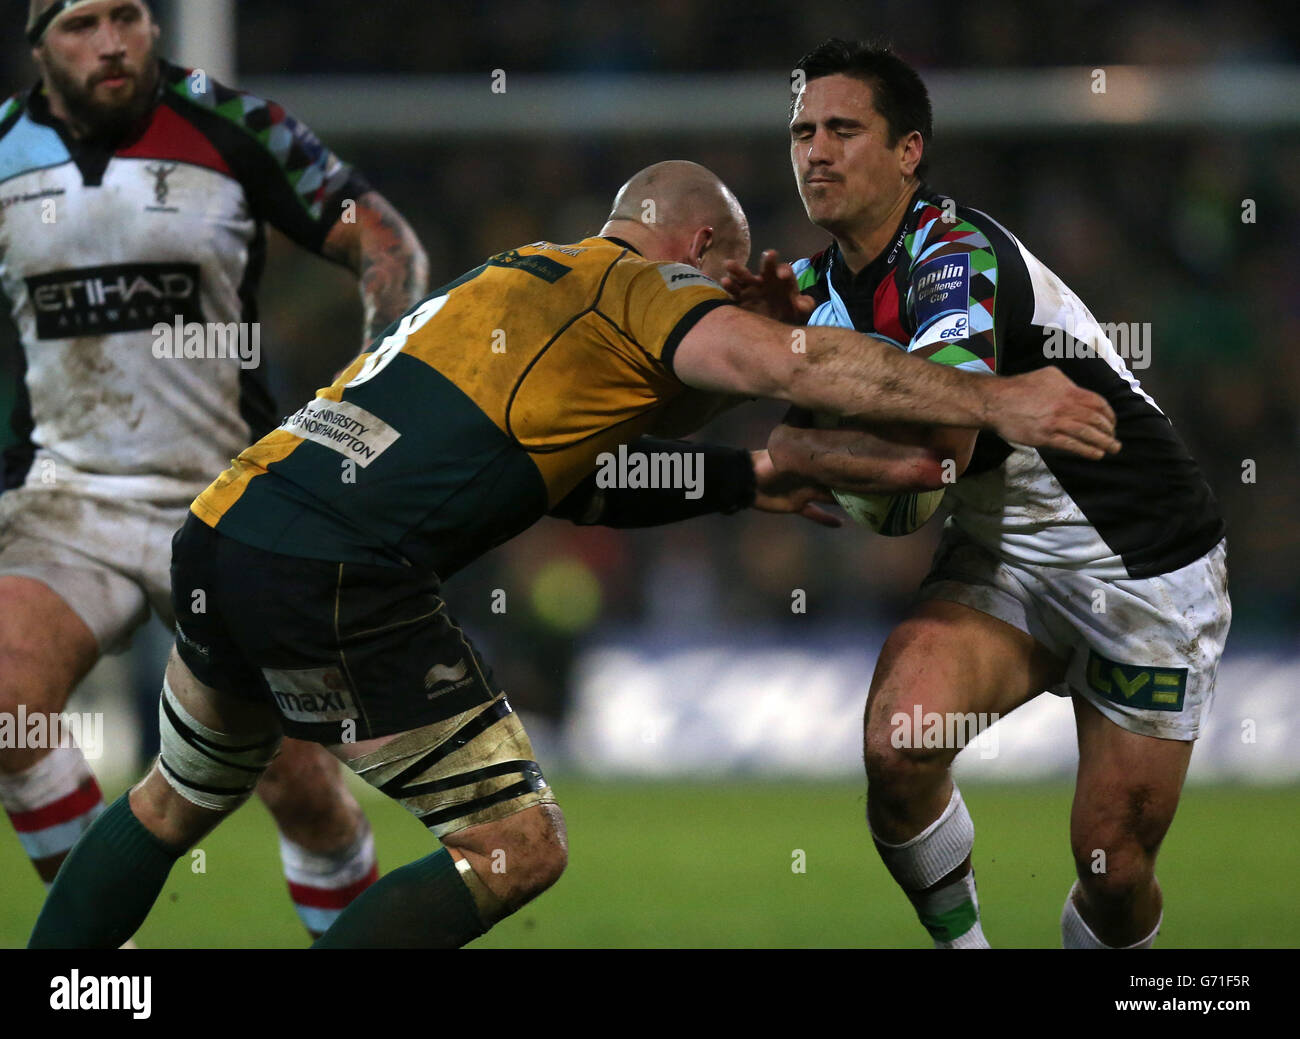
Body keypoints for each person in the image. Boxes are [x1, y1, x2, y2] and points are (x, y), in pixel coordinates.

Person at [29, 159, 1118, 949]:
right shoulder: (649, 289)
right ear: (699, 253)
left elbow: (592, 474)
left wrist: (751, 476)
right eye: (725, 280)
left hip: (227, 531)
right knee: (517, 842)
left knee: (174, 798)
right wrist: (988, 393)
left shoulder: (506, 286)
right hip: (337, 574)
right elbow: (801, 363)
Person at [731, 38, 1229, 949]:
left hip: (1145, 562)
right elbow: (717, 369)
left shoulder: (956, 256)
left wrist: (796, 443)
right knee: (897, 745)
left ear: (909, 151)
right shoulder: (808, 288)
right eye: (803, 131)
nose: (816, 152)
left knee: (1110, 866)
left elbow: (936, 459)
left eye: (844, 129)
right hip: (1007, 560)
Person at [0, 0, 430, 938]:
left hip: (226, 503)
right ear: (38, 46)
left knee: (300, 786)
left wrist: (375, 396)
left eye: (129, 16)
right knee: (6, 707)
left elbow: (385, 240)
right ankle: (103, 944)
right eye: (81, 23)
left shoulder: (232, 126)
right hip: (65, 498)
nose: (112, 41)